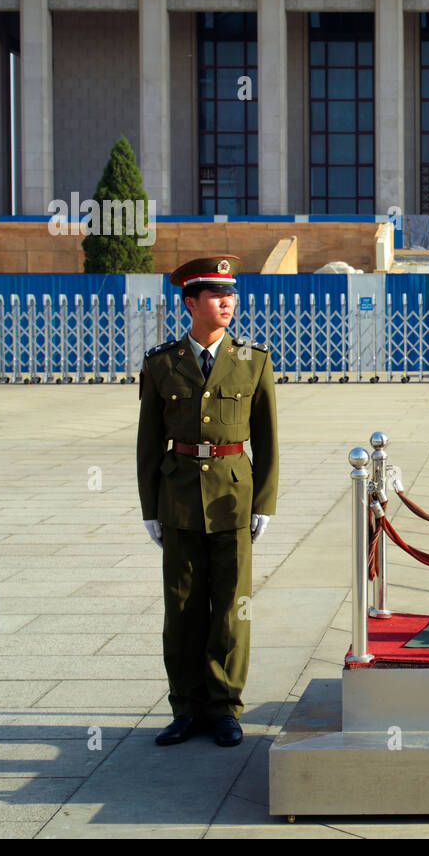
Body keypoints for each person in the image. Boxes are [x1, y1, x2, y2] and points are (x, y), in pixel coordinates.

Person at [136, 255, 278, 747]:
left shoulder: (252, 360)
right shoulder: (162, 363)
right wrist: (150, 509)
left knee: (232, 609)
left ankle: (224, 708)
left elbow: (267, 437)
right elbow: (148, 442)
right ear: (190, 303)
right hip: (177, 500)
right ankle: (186, 706)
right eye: (216, 295)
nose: (227, 302)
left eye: (231, 294)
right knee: (182, 609)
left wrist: (264, 501)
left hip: (233, 501)